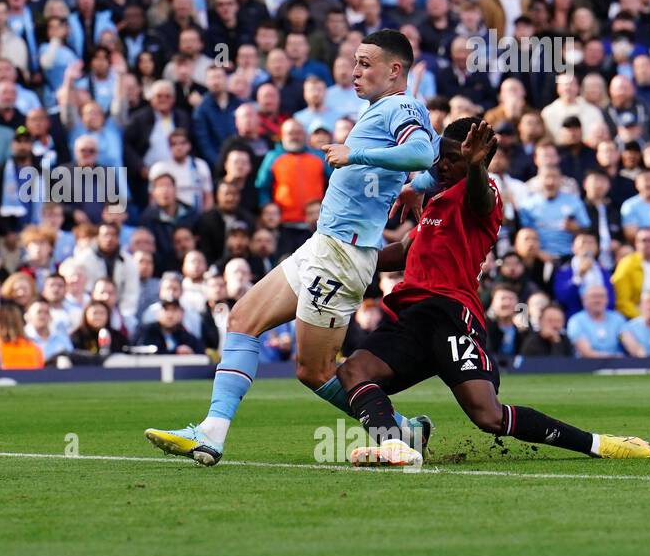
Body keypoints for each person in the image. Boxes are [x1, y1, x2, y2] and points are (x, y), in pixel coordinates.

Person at [146, 30, 435, 465]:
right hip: (324, 245)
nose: (354, 72)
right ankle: (211, 431)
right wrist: (420, 188)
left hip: (342, 255)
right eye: (354, 62)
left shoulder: (400, 105)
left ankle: (399, 430)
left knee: (314, 371)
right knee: (242, 318)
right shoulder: (395, 109)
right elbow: (428, 156)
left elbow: (417, 152)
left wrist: (355, 157)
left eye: (364, 63)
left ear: (395, 70)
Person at [333, 118, 650, 466]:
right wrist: (349, 259)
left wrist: (472, 167)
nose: (443, 163)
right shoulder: (437, 196)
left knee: (489, 417)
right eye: (443, 155)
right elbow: (408, 248)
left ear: (479, 160)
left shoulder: (485, 193)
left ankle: (598, 444)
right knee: (353, 371)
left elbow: (480, 197)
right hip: (413, 317)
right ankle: (396, 445)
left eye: (455, 158)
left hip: (451, 315)